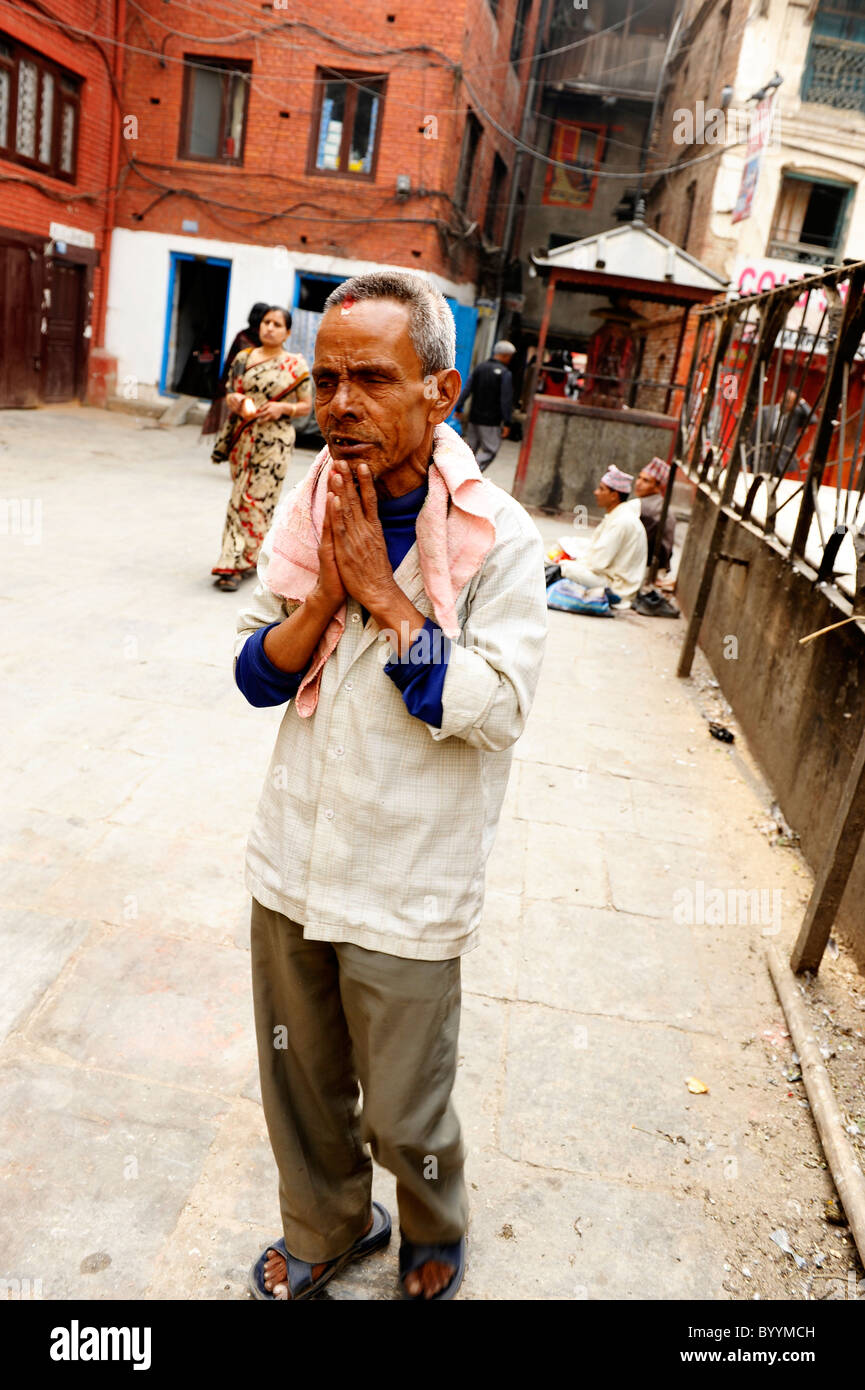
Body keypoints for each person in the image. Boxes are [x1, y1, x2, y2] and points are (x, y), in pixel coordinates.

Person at [233, 270, 547, 1300]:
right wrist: (329, 591)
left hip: (408, 876)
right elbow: (255, 672)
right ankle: (326, 1224)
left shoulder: (497, 536)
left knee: (403, 1108)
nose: (339, 403)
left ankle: (432, 1227)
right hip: (296, 856)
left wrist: (383, 595)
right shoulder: (313, 499)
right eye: (327, 378)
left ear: (441, 393)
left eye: (371, 377)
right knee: (302, 1080)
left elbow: (495, 707)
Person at [210, 306, 311, 592]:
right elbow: (230, 391)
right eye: (266, 322)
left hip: (275, 441)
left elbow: (306, 406)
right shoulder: (244, 358)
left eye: (277, 324)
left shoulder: (295, 365)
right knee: (238, 496)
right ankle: (233, 556)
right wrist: (237, 402)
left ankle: (238, 563)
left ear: (287, 332)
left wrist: (283, 407)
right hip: (245, 436)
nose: (270, 328)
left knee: (259, 500)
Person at [560, 465, 647, 605]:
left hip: (617, 587)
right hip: (610, 575)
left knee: (566, 568)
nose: (596, 492)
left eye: (601, 489)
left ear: (614, 495)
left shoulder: (621, 521)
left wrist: (573, 562)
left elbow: (598, 563)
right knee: (567, 544)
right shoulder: (619, 515)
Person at [201, 301, 269, 439]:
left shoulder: (256, 338)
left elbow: (230, 364)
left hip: (246, 385)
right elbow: (234, 362)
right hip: (248, 386)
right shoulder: (249, 338)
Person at [454, 339, 515, 470]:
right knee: (490, 451)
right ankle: (468, 474)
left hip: (474, 418)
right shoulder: (505, 374)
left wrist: (459, 407)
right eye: (510, 357)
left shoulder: (480, 368)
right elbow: (506, 400)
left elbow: (466, 389)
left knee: (469, 451)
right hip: (491, 422)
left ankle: (458, 474)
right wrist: (507, 422)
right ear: (505, 355)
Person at [748, 388, 812, 478]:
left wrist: (802, 402)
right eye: (785, 399)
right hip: (761, 456)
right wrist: (748, 459)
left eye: (790, 401)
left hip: (780, 460)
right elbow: (754, 435)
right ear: (781, 398)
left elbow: (813, 419)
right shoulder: (765, 411)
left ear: (795, 404)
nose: (786, 403)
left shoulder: (796, 415)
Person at [634, 457, 676, 572]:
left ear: (659, 486)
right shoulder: (659, 505)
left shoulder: (646, 507)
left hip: (645, 568)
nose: (638, 483)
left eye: (646, 481)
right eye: (639, 478)